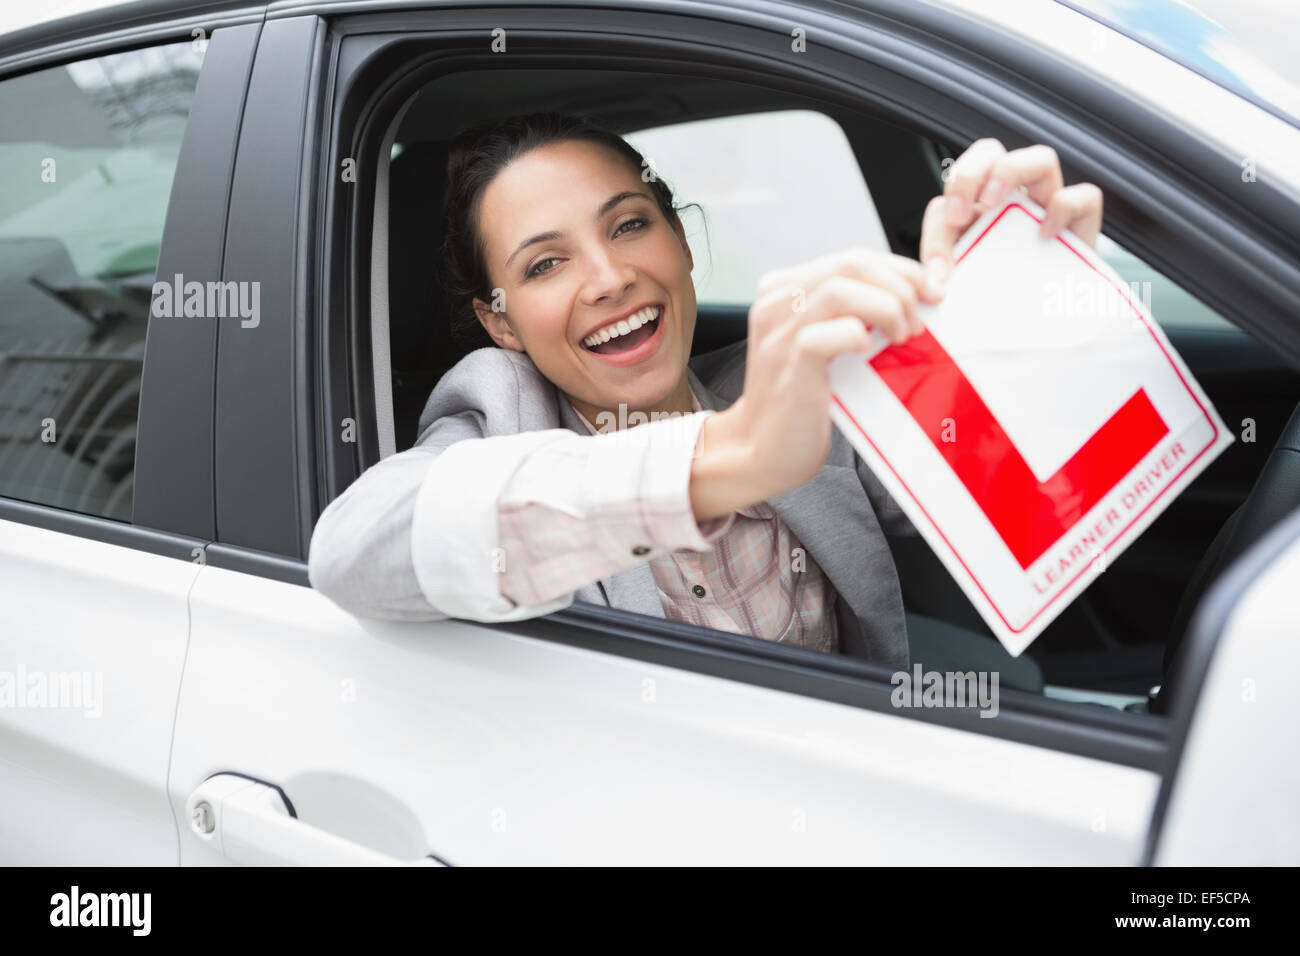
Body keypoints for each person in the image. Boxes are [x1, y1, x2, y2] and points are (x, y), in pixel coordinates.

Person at [308, 112, 1103, 670]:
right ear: (502, 322)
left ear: (680, 241)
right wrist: (728, 459)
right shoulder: (495, 418)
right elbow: (351, 552)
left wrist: (1009, 301)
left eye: (628, 226)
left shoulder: (785, 385)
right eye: (546, 265)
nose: (612, 277)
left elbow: (1023, 500)